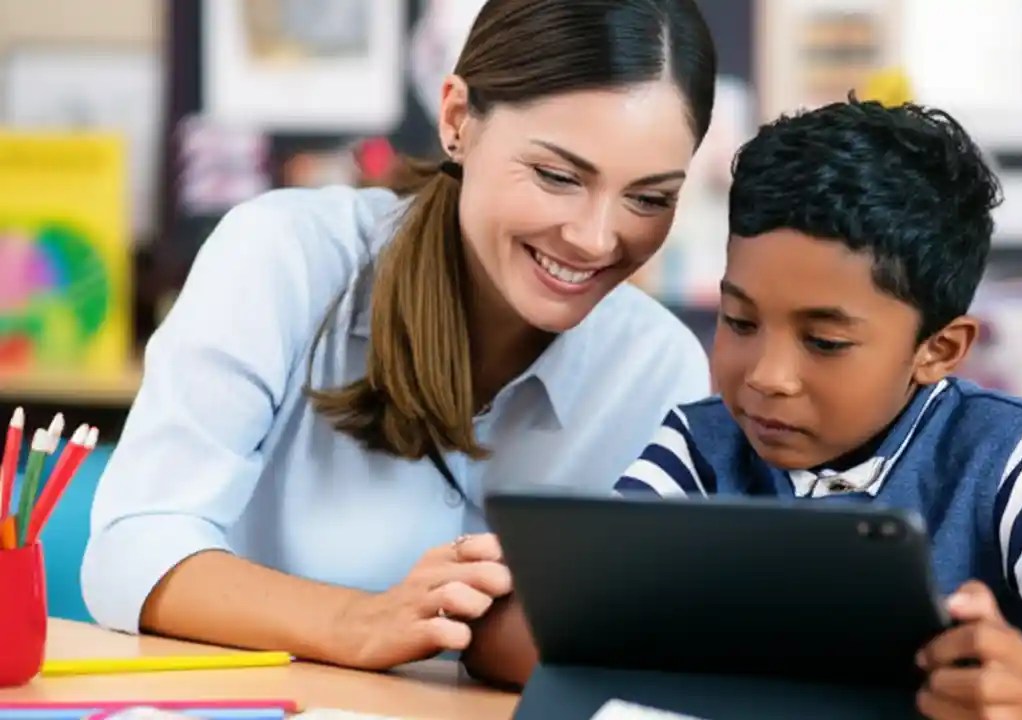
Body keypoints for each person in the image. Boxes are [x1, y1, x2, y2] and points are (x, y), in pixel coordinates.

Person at [82, 0, 717, 684]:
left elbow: (632, 636)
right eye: (557, 177)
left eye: (649, 199)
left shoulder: (658, 366)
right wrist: (356, 622)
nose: (595, 239)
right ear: (457, 120)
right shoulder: (283, 256)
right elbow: (132, 549)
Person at [614, 97, 1022, 718]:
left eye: (824, 342)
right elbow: (575, 632)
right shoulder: (696, 450)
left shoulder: (1012, 459)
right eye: (740, 321)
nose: (766, 377)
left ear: (938, 350)